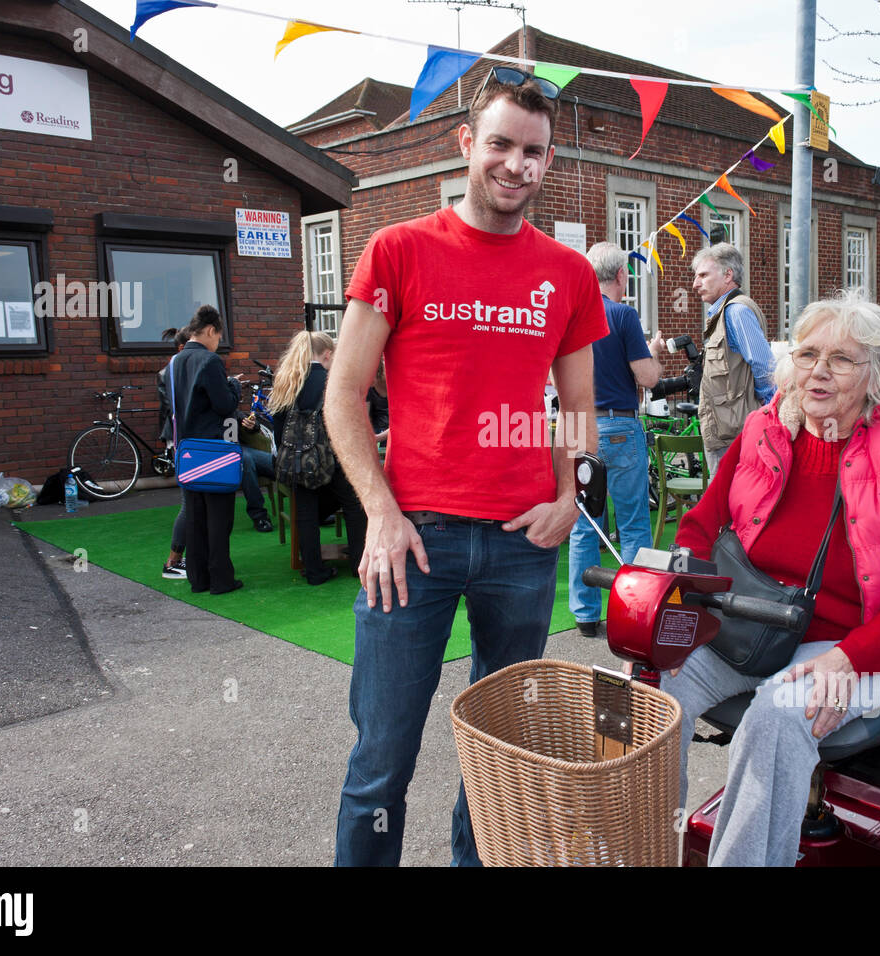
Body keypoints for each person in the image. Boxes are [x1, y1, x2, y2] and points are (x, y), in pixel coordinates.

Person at [324, 65, 607, 867]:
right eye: (502, 145)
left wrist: (570, 495)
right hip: (415, 541)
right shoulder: (398, 250)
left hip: (524, 543)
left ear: (549, 161)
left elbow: (578, 410)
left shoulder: (568, 272)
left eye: (535, 152)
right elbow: (343, 397)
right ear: (466, 145)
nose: (517, 165)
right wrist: (380, 514)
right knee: (381, 762)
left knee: (500, 762)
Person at [660, 289, 880, 867]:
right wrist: (675, 612)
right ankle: (638, 851)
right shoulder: (763, 429)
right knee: (650, 685)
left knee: (778, 715)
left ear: (875, 374)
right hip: (754, 627)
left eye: (842, 360)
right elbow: (700, 529)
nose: (819, 371)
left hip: (871, 646)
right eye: (807, 355)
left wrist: (850, 660)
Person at [568, 241, 664, 637]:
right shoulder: (623, 316)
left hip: (575, 424)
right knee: (633, 522)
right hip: (617, 425)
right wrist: (654, 352)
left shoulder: (571, 315)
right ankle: (634, 612)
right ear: (621, 275)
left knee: (582, 523)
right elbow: (648, 378)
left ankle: (585, 615)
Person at [269, 329, 367, 585]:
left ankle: (314, 570)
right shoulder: (331, 380)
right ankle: (359, 563)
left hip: (297, 459)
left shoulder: (287, 380)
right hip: (330, 458)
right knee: (355, 506)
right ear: (327, 353)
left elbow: (277, 428)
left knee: (305, 514)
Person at [170, 305, 243, 595]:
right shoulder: (210, 361)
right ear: (211, 330)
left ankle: (198, 579)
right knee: (219, 519)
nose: (218, 343)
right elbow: (224, 406)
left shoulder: (176, 361)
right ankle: (221, 580)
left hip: (186, 450)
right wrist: (234, 386)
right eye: (219, 336)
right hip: (214, 451)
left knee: (196, 518)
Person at [690, 242, 776, 474]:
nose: (695, 284)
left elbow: (764, 367)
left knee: (732, 504)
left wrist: (770, 417)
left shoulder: (736, 312)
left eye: (703, 275)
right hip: (726, 432)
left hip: (735, 435)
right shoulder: (724, 312)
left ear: (728, 275)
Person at [158, 325, 191, 580]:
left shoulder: (172, 368)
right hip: (183, 441)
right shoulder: (173, 370)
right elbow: (177, 406)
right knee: (188, 504)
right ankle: (173, 561)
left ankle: (182, 558)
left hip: (181, 439)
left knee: (191, 503)